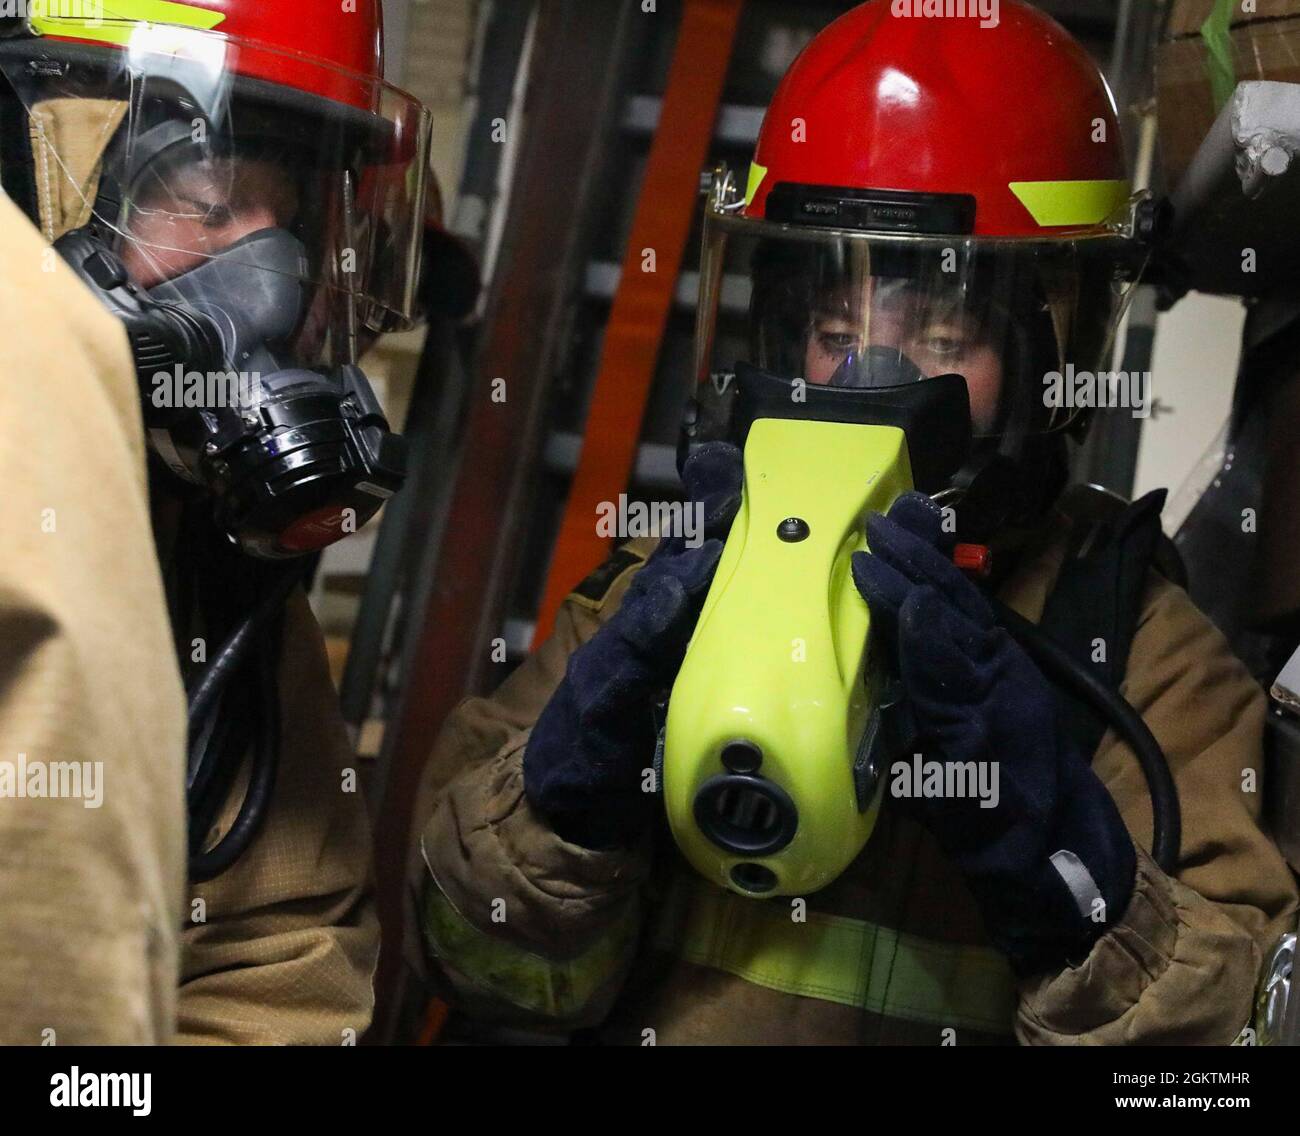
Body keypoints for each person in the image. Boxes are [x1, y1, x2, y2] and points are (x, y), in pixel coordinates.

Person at [407, 0, 1299, 1045]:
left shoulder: (1142, 658)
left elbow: (1231, 1041)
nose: (868, 378)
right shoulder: (667, 591)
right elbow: (481, 963)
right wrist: (560, 813)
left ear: (1054, 349)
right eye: (836, 330)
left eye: (940, 333)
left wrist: (1068, 867)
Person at [0, 0, 461, 1043]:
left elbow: (280, 958)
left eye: (289, 215)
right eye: (203, 202)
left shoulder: (223, 578)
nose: (265, 278)